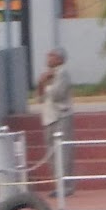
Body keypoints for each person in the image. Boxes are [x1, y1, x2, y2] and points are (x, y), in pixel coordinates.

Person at [37, 47, 74, 194]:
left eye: (51, 55)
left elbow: (58, 94)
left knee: (63, 152)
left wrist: (46, 82)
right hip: (49, 118)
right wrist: (41, 83)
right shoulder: (48, 75)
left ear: (59, 59)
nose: (48, 57)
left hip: (61, 116)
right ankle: (59, 184)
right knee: (52, 154)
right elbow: (40, 98)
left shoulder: (62, 72)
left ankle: (67, 186)